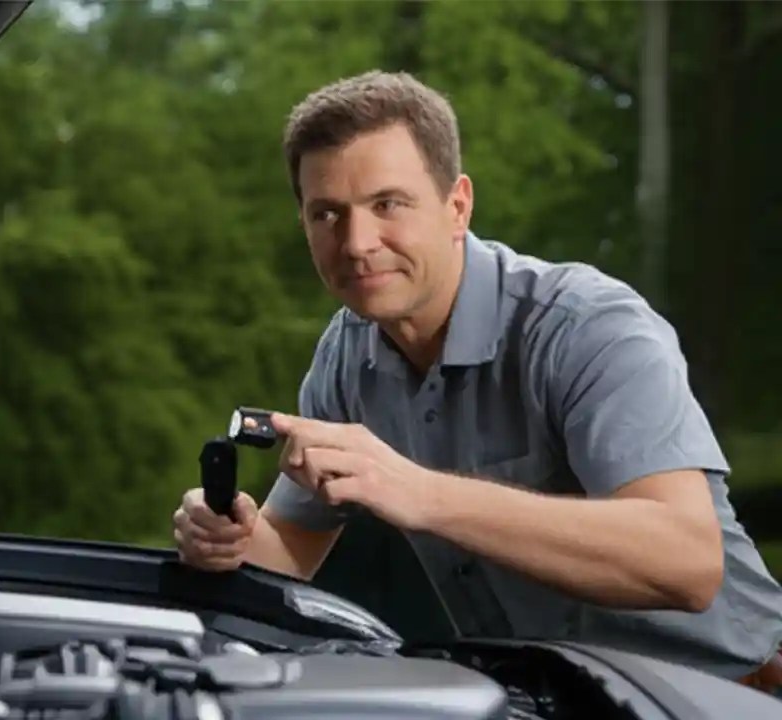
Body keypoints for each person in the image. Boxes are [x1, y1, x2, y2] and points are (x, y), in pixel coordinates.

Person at [172, 70, 782, 691]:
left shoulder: (586, 327)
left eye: (388, 205)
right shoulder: (345, 355)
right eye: (327, 213)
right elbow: (288, 550)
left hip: (736, 691)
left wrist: (419, 492)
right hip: (548, 694)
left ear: (457, 205)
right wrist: (228, 539)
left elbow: (688, 563)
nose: (356, 244)